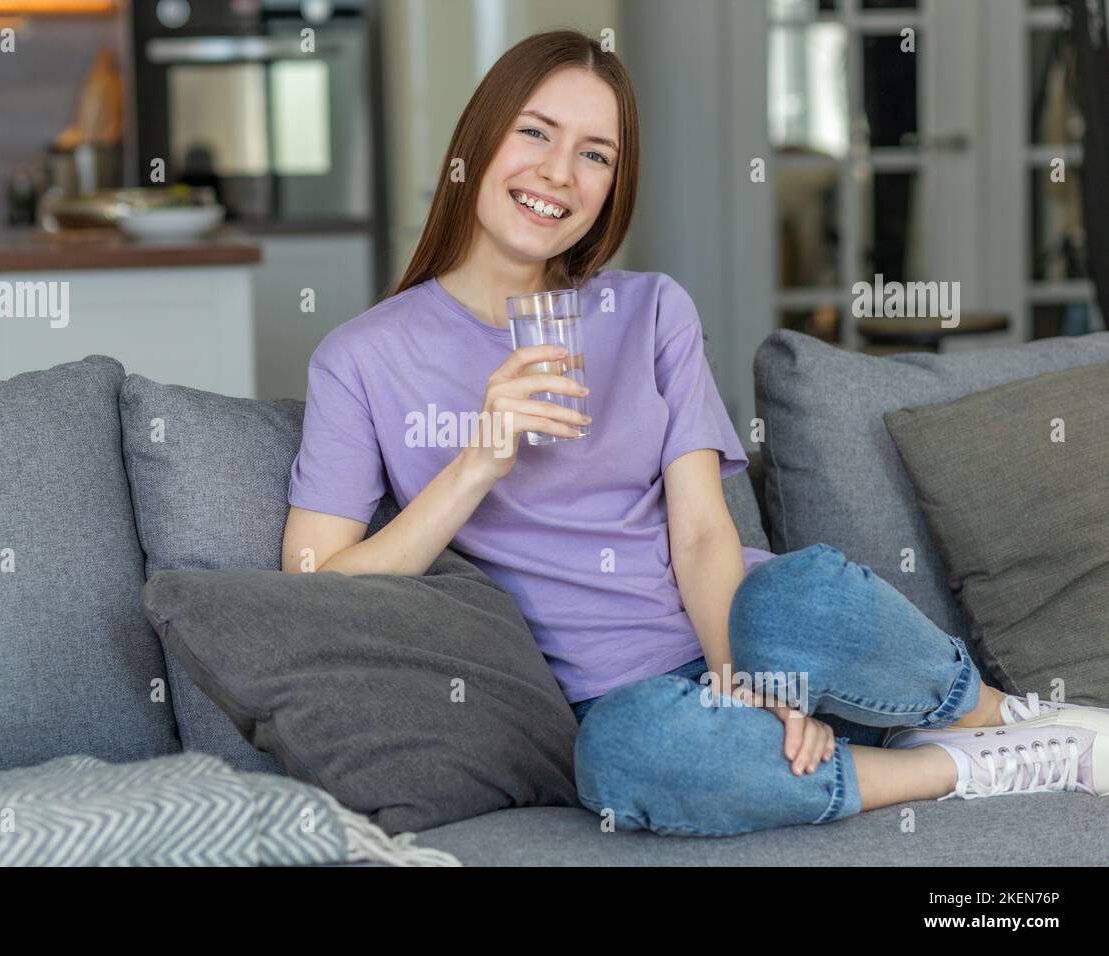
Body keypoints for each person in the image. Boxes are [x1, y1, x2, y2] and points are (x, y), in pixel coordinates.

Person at [282, 29, 1109, 837]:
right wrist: (477, 463)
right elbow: (314, 583)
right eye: (534, 132)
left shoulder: (650, 310)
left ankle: (1024, 720)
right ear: (477, 143)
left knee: (803, 591)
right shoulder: (362, 358)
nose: (557, 173)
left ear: (613, 184)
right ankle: (964, 767)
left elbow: (705, 529)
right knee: (624, 754)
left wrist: (743, 680)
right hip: (631, 706)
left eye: (595, 154)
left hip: (748, 644)